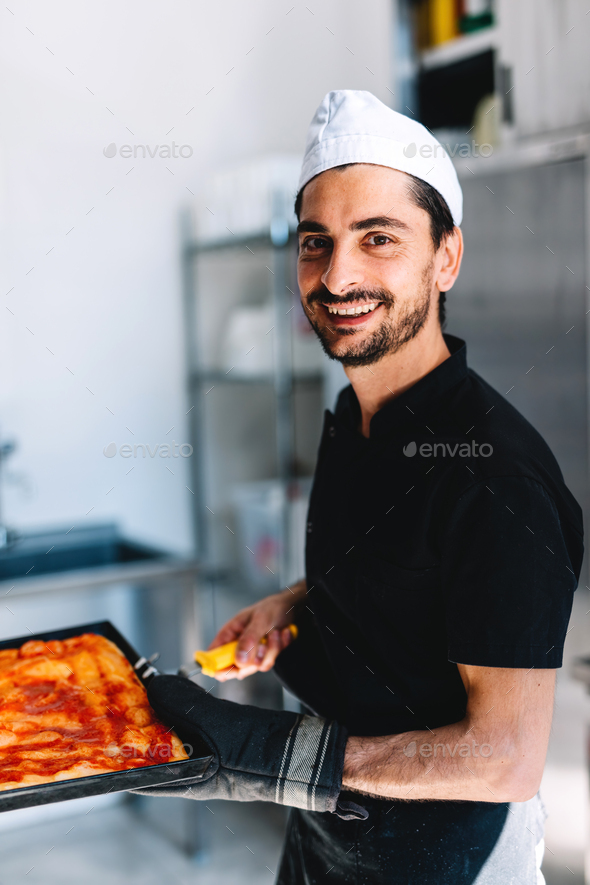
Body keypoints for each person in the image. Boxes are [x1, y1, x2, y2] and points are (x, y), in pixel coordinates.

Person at [136, 91, 583, 884]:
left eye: (379, 237)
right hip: (335, 831)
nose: (337, 275)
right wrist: (301, 601)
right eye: (316, 243)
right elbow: (412, 564)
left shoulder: (495, 475)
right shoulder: (354, 412)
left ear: (446, 256)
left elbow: (505, 757)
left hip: (453, 854)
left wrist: (261, 753)